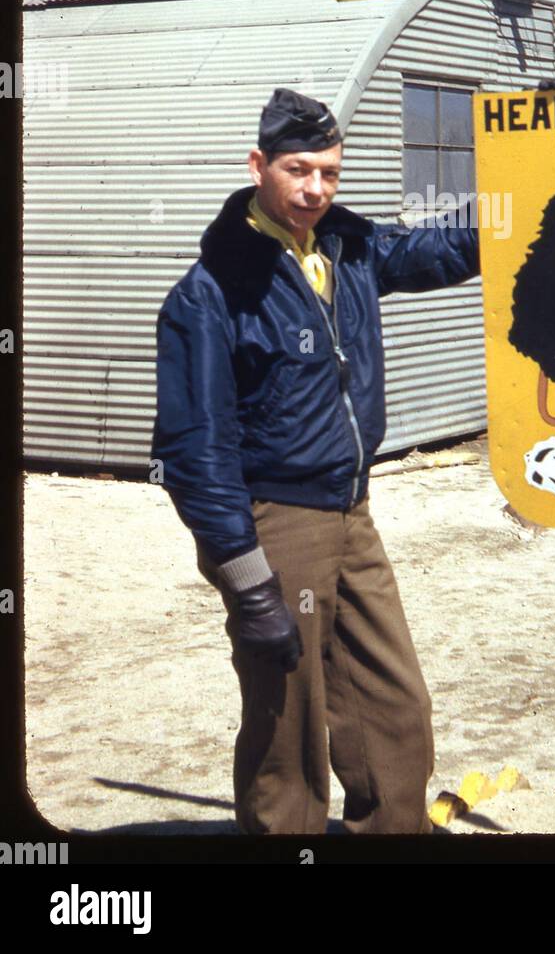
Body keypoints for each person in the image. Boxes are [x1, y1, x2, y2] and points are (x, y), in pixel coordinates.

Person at [151, 88, 480, 834]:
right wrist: (246, 581)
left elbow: (445, 249)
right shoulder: (211, 294)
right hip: (276, 523)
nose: (316, 190)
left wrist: (537, 172)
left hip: (351, 510)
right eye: (299, 170)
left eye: (330, 173)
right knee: (286, 725)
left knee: (394, 703)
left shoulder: (348, 246)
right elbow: (192, 450)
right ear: (258, 165)